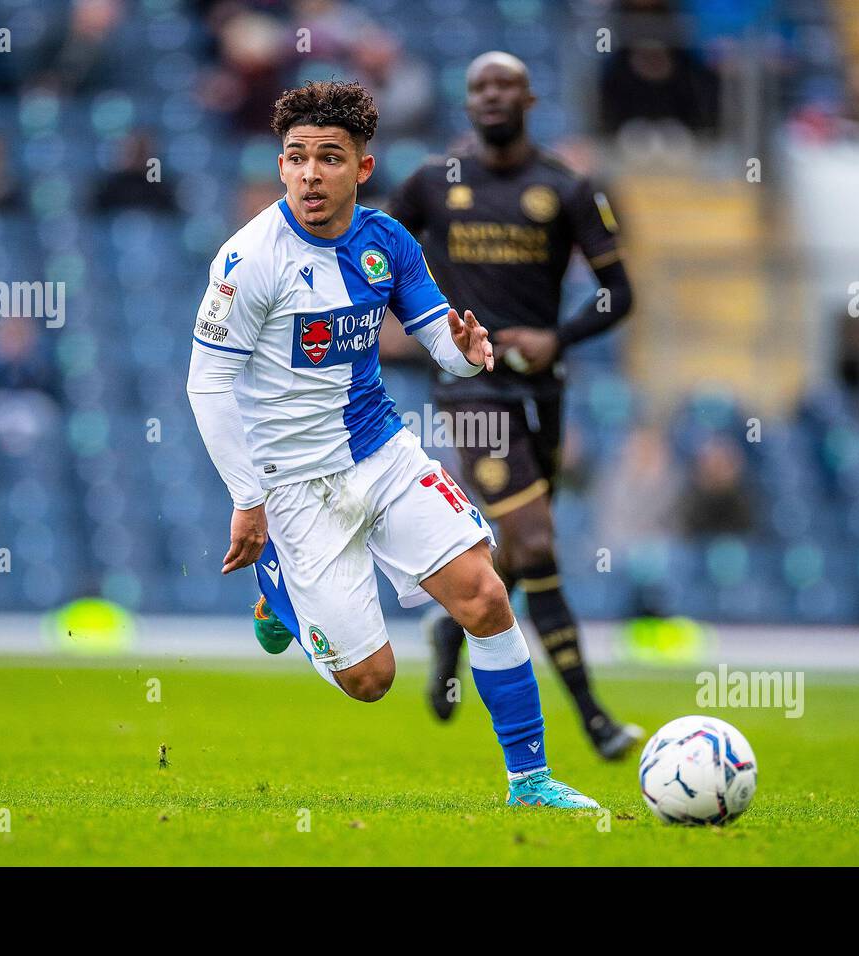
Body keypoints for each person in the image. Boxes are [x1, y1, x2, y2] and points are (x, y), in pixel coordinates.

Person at [185, 80, 597, 808]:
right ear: (281, 166)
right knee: (371, 682)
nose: (310, 173)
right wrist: (249, 501)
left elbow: (443, 343)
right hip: (295, 487)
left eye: (329, 158)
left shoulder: (387, 242)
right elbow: (207, 385)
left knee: (485, 595)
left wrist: (470, 352)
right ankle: (278, 588)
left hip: (382, 453)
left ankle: (529, 781)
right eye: (296, 158)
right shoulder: (249, 261)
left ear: (362, 169)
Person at [390, 52, 642, 759]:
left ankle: (450, 628)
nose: (491, 96)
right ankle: (594, 720)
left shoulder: (567, 188)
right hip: (470, 390)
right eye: (478, 88)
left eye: (504, 85)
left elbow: (619, 293)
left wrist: (556, 337)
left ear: (529, 98)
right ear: (467, 103)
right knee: (535, 543)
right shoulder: (432, 183)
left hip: (543, 391)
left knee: (520, 552)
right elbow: (375, 254)